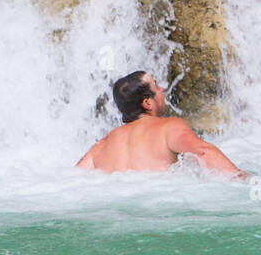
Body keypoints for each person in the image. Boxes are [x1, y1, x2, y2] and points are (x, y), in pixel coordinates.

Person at [76, 70, 248, 179]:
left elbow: (73, 179)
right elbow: (203, 152)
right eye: (156, 87)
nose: (162, 89)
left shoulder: (101, 145)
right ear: (148, 103)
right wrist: (241, 178)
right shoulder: (169, 127)